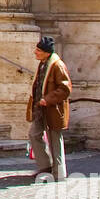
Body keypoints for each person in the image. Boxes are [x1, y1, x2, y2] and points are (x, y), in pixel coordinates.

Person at [26, 37, 72, 183]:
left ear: (46, 52)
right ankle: (44, 167)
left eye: (38, 50)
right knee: (34, 134)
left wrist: (49, 99)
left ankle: (59, 172)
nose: (35, 52)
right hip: (40, 107)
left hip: (53, 108)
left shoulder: (57, 66)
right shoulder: (42, 64)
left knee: (54, 140)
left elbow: (65, 89)